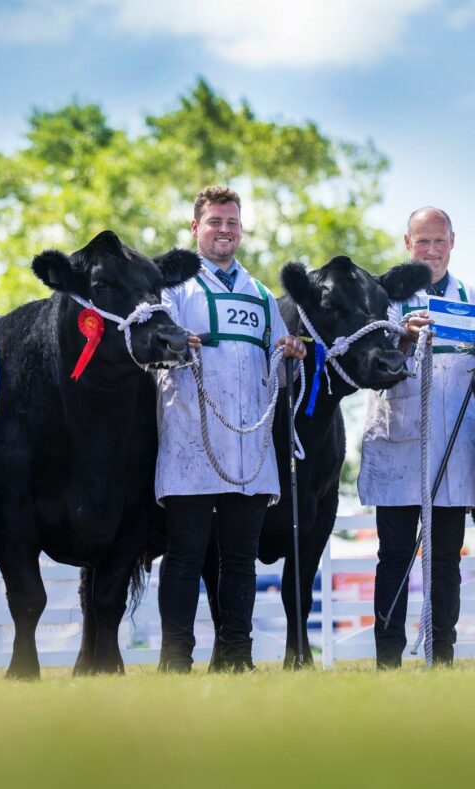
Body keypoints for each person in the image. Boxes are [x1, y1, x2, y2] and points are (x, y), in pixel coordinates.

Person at [154, 186, 306, 672]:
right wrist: (175, 344)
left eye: (232, 222)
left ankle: (237, 657)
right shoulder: (173, 290)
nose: (224, 230)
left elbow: (278, 374)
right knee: (184, 554)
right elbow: (150, 354)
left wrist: (292, 355)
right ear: (194, 228)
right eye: (215, 222)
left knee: (240, 558)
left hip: (248, 445)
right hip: (190, 441)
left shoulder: (261, 295)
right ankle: (175, 659)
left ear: (241, 228)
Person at [359, 206, 475, 667]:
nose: (431, 250)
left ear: (452, 243)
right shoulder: (385, 299)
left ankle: (441, 652)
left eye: (438, 241)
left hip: (453, 448)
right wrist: (403, 340)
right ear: (407, 244)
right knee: (394, 556)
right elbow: (368, 366)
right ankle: (388, 657)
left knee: (446, 559)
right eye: (421, 241)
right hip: (398, 447)